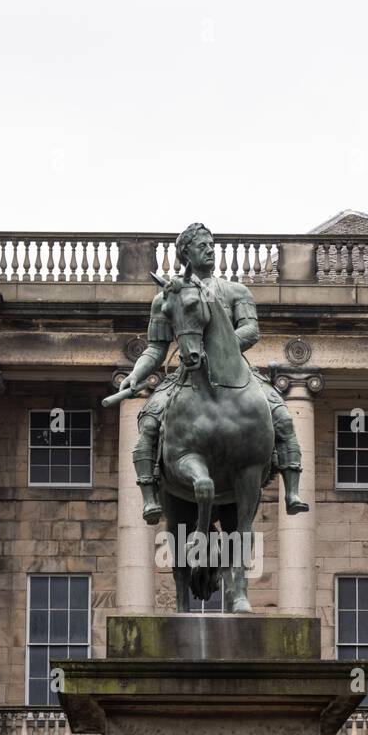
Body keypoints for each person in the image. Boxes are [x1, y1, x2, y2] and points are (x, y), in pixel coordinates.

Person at [120, 222, 308, 523]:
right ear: (186, 254)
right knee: (149, 421)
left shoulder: (236, 291)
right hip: (185, 373)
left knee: (282, 414)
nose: (210, 250)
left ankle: (292, 490)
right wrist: (135, 375)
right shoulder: (167, 296)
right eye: (202, 246)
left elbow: (251, 330)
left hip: (237, 371)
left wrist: (221, 348)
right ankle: (150, 494)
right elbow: (155, 348)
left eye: (211, 244)